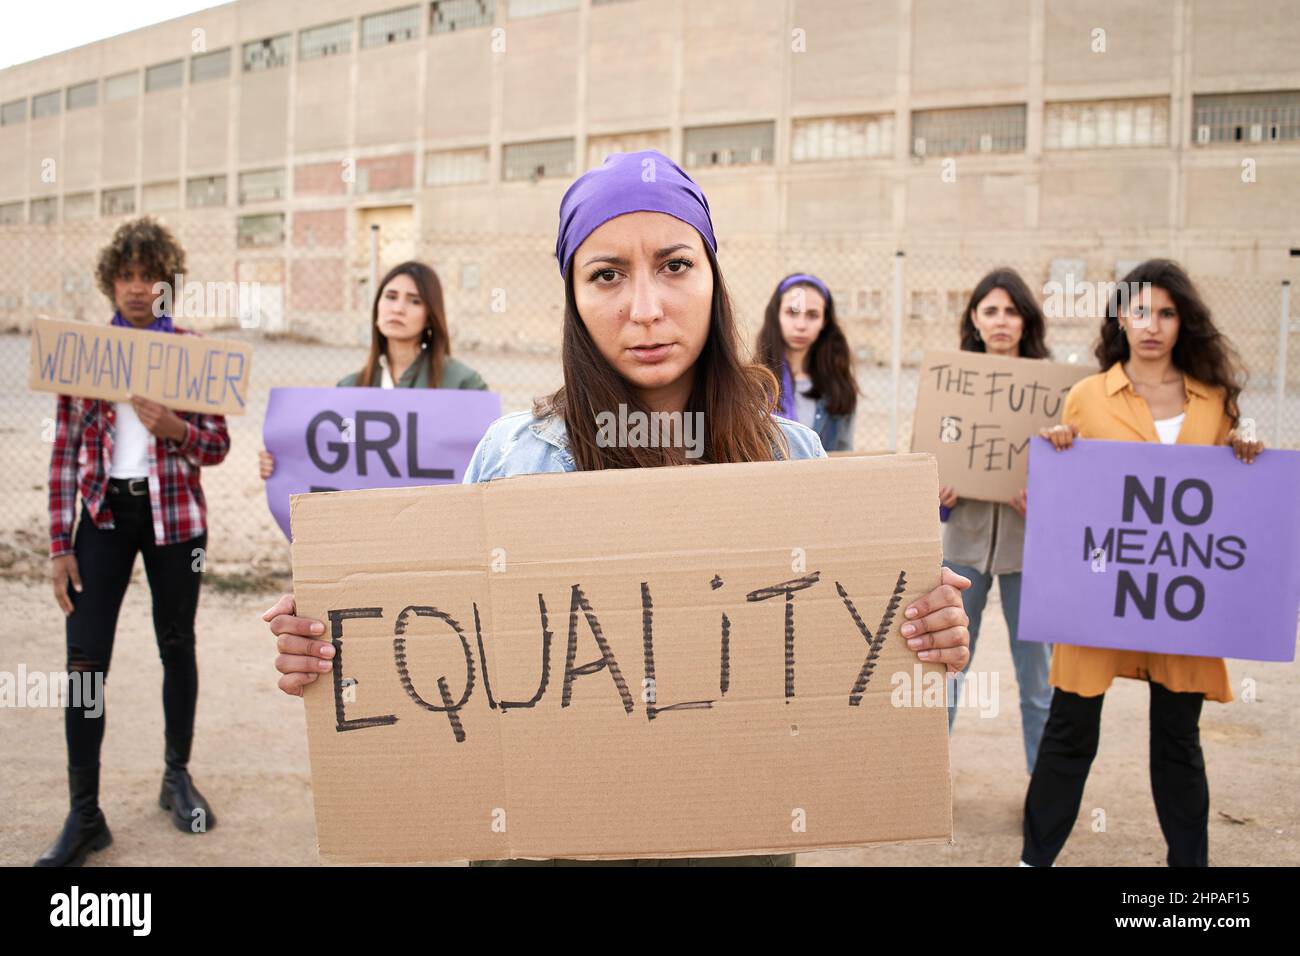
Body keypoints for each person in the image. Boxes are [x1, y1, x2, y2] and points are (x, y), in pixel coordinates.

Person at [263, 150, 974, 866]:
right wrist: (331, 646)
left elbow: (831, 675)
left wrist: (921, 633)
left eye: (674, 266)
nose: (645, 309)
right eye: (606, 275)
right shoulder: (515, 458)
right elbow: (435, 654)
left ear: (712, 276)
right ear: (572, 295)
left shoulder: (789, 460)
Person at [1021, 258, 1264, 868]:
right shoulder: (1086, 397)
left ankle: (1190, 877)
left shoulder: (1216, 403)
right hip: (1101, 592)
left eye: (1166, 312)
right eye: (1138, 310)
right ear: (1119, 318)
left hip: (1180, 599)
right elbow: (1061, 502)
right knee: (1071, 730)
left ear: (1184, 322)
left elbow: (1227, 507)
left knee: (1178, 740)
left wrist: (1244, 456)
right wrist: (1056, 452)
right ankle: (1033, 861)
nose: (1151, 325)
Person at [38, 217, 231, 866]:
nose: (138, 286)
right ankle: (85, 814)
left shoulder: (193, 352)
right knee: (85, 664)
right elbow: (64, 450)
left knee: (177, 645)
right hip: (101, 519)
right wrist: (58, 545)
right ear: (110, 281)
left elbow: (217, 447)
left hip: (174, 519)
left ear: (167, 283)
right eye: (126, 274)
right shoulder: (85, 353)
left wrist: (176, 427)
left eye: (150, 275)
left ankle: (176, 777)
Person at [939, 268, 1053, 773]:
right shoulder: (951, 386)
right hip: (963, 546)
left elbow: (1074, 476)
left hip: (1031, 552)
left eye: (1012, 311)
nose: (1002, 321)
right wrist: (939, 496)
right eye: (991, 311)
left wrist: (1048, 501)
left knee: (1038, 679)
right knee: (947, 667)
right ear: (974, 319)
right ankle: (929, 782)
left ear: (1026, 321)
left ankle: (1042, 789)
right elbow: (930, 462)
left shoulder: (1054, 390)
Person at [258, 260, 488, 479]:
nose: (398, 308)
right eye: (390, 297)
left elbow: (485, 463)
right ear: (377, 306)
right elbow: (336, 459)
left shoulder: (464, 384)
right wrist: (283, 465)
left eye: (414, 301)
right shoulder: (349, 387)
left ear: (430, 316)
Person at [753, 273, 858, 452]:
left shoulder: (839, 387)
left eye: (812, 315)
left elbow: (844, 453)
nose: (801, 325)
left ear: (824, 321)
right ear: (776, 315)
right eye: (792, 313)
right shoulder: (752, 383)